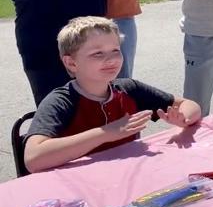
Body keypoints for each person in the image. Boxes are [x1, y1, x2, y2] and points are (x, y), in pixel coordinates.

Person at [23, 16, 202, 173]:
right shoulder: (61, 101)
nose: (111, 59)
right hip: (81, 188)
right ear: (71, 63)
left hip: (130, 176)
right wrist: (106, 133)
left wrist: (183, 118)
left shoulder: (129, 89)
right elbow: (33, 158)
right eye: (97, 53)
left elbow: (190, 105)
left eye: (115, 50)